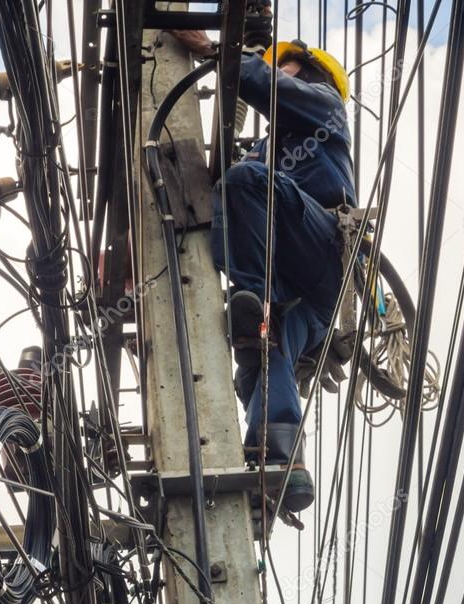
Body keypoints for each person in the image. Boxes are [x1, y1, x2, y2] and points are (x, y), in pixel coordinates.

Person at [172, 29, 354, 513]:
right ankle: (281, 458)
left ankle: (255, 305)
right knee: (264, 354)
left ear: (311, 73)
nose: (279, 73)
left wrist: (216, 49)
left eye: (285, 66)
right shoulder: (266, 152)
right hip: (301, 297)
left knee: (245, 182)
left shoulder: (324, 107)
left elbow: (268, 86)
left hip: (321, 251)